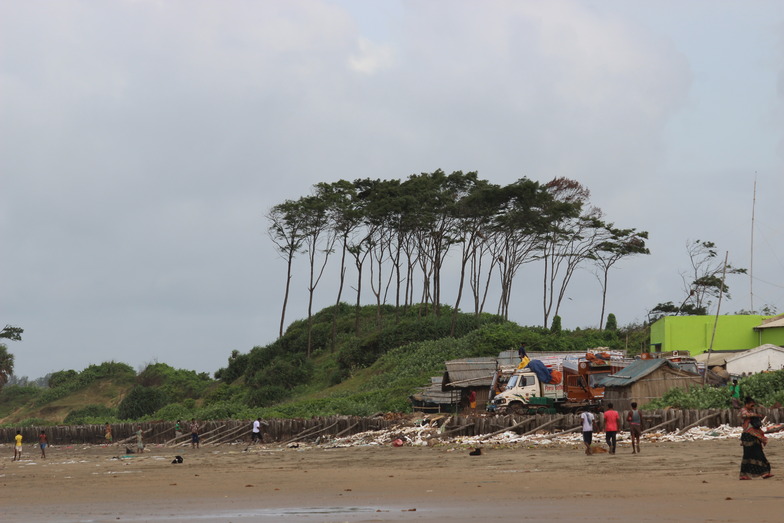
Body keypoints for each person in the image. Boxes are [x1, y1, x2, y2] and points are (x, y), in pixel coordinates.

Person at [739, 396, 773, 480]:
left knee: (758, 454)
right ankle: (744, 474)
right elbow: (744, 415)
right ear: (746, 404)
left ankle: (764, 472)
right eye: (751, 405)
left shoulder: (750, 411)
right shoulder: (744, 410)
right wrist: (756, 415)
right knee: (747, 455)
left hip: (754, 435)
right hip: (748, 435)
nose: (752, 407)